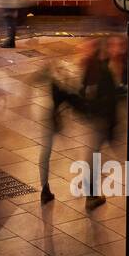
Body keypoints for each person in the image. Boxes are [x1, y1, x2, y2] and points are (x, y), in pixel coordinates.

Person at [50, 38, 119, 209]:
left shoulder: (92, 69)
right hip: (101, 120)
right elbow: (108, 99)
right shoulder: (103, 71)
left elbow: (84, 91)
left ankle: (90, 191)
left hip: (96, 118)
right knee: (94, 157)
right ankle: (91, 195)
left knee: (94, 157)